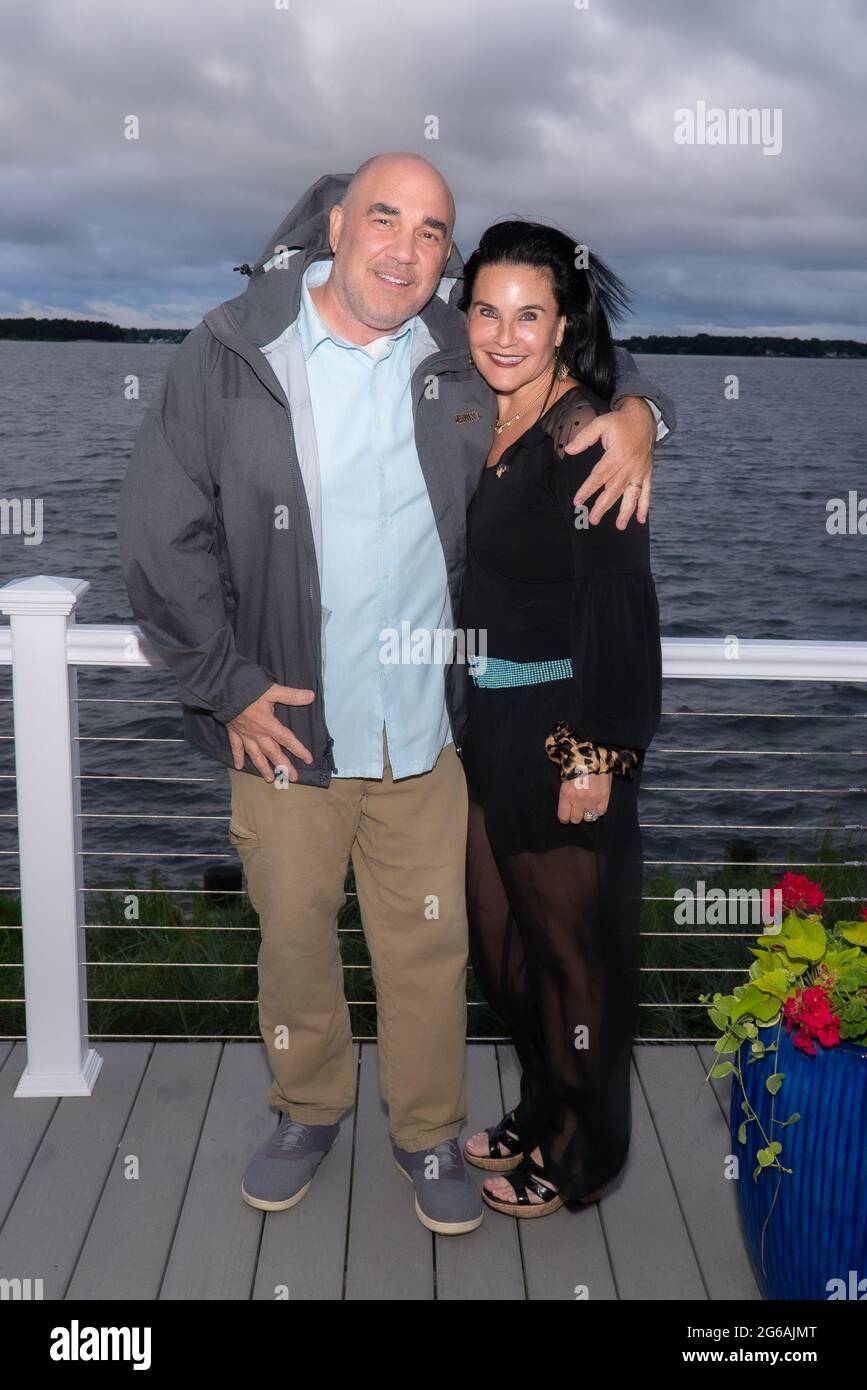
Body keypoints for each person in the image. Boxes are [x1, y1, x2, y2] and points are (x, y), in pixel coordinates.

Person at [117, 153, 675, 1237]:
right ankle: (306, 1109)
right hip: (285, 730)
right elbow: (158, 533)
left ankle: (427, 1130)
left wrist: (649, 411)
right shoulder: (233, 352)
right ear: (336, 225)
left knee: (432, 949)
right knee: (291, 940)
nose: (406, 249)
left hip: (429, 730)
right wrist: (225, 685)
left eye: (432, 233)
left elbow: (576, 353)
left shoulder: (457, 356)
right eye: (386, 218)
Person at [458, 221, 662, 1216]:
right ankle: (544, 1103)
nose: (504, 333)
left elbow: (619, 608)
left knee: (571, 953)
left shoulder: (587, 435)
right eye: (487, 310)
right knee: (502, 944)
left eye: (528, 314)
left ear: (563, 323)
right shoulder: (487, 418)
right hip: (487, 726)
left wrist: (594, 757)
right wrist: (649, 407)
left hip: (558, 736)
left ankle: (584, 1152)